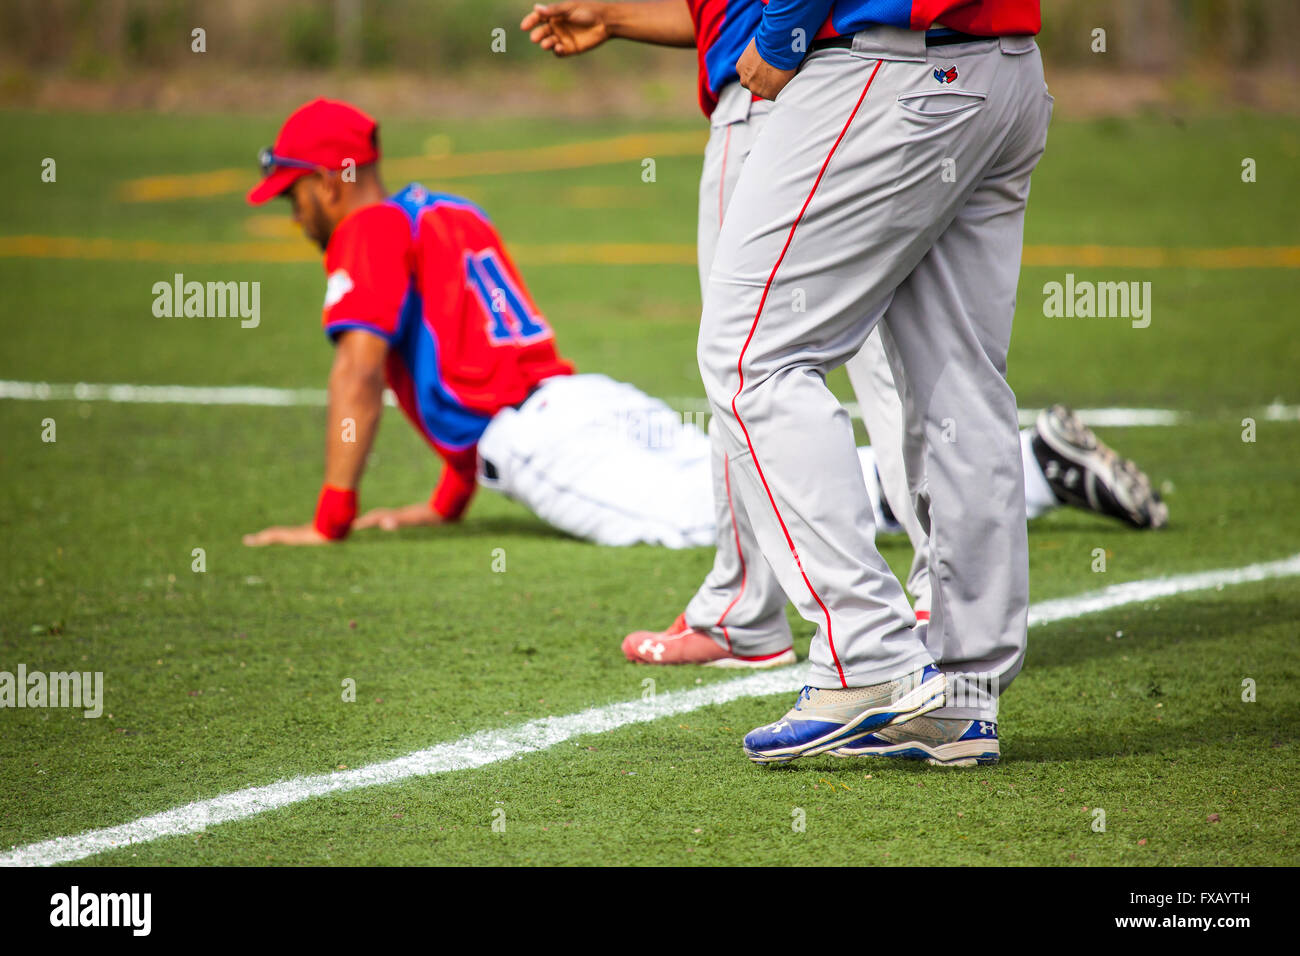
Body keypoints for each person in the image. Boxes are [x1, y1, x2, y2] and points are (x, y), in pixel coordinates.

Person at [522, 1, 1164, 765]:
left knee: (752, 356)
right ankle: (959, 699)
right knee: (958, 383)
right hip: (1003, 67)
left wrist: (783, 33)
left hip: (892, 66)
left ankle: (868, 658)